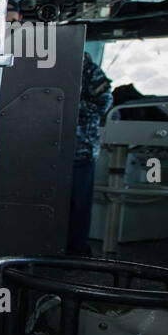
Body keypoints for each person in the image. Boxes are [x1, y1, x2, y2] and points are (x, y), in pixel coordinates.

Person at [69, 49, 113, 255]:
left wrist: (69, 105)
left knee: (79, 204)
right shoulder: (54, 69)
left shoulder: (91, 72)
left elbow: (102, 104)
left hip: (82, 149)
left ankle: (77, 250)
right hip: (53, 148)